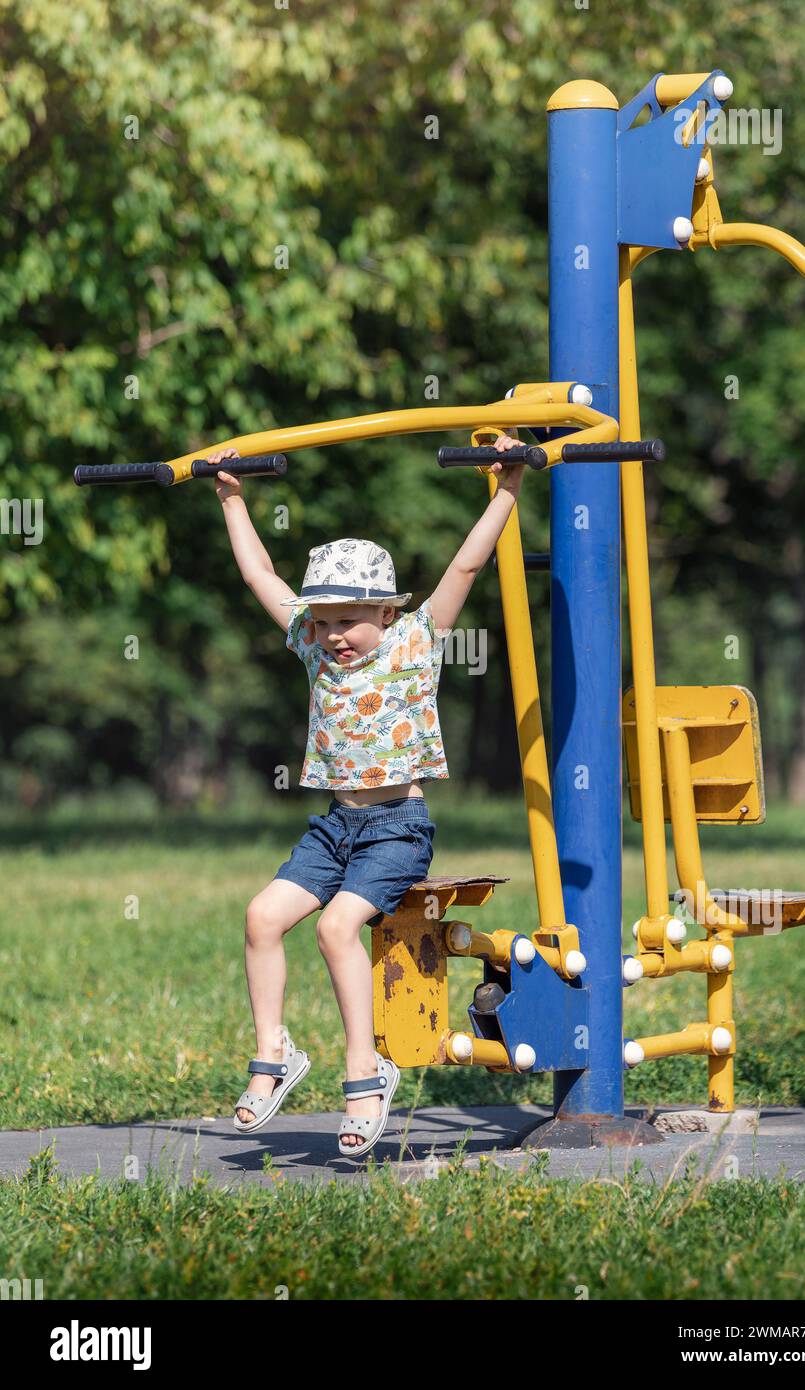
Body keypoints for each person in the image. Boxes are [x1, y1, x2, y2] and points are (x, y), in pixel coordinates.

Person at [212, 432, 524, 1155]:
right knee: (262, 918)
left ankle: (365, 1071)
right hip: (334, 828)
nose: (333, 636)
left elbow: (467, 564)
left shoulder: (417, 642)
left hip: (396, 829)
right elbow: (260, 574)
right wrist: (232, 498)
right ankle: (276, 1056)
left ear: (386, 613)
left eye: (348, 621)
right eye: (321, 622)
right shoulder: (311, 645)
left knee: (333, 928)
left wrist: (506, 488)